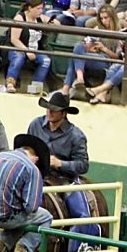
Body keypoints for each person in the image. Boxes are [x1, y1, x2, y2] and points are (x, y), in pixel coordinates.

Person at [27, 92, 90, 222]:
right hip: (36, 174)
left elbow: (83, 165)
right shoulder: (35, 125)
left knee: (80, 215)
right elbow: (27, 148)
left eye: (54, 110)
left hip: (63, 178)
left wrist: (60, 163)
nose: (50, 112)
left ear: (64, 113)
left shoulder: (76, 136)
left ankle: (79, 238)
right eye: (48, 108)